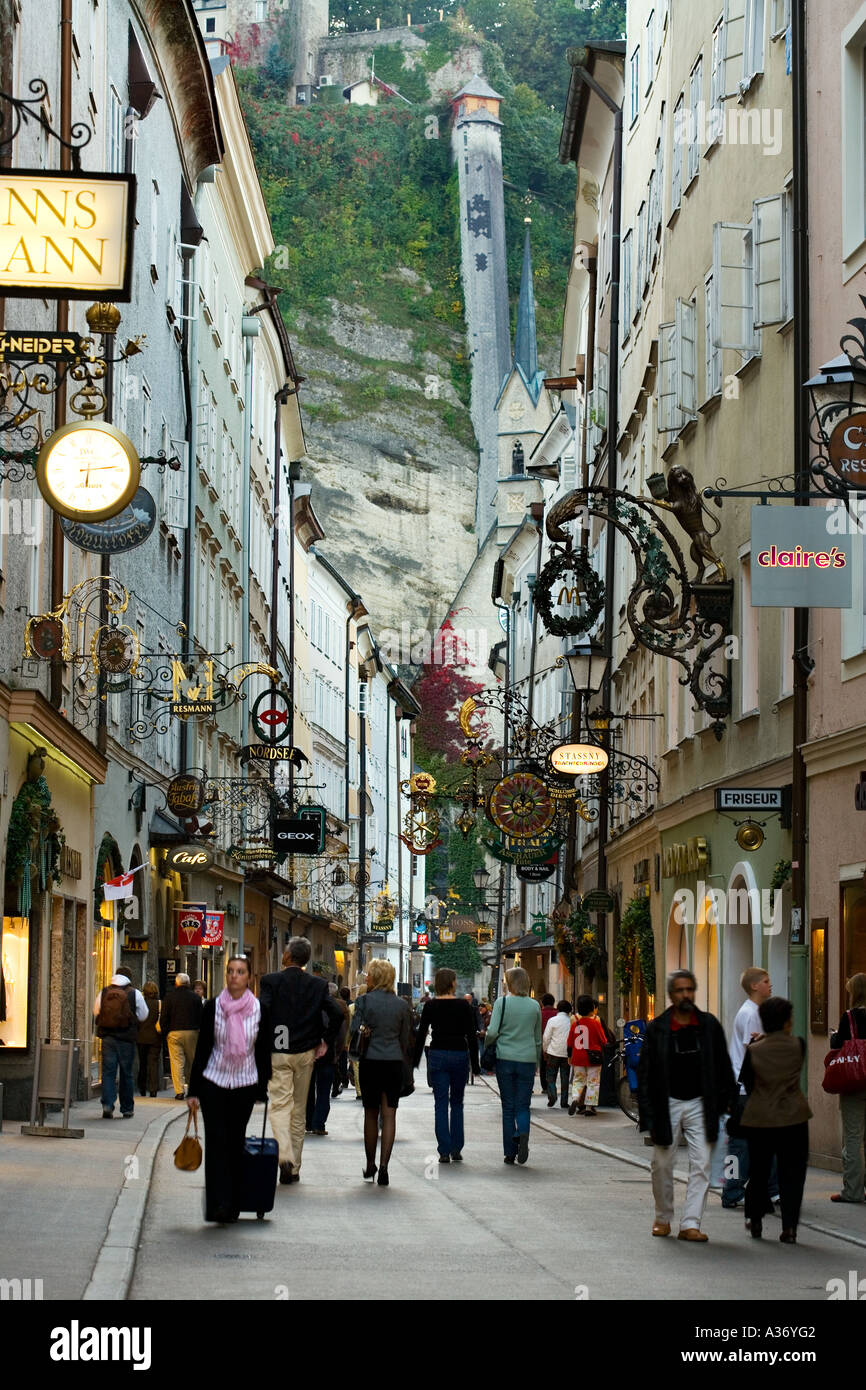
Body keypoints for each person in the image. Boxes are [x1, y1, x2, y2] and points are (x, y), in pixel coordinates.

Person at [637, 969, 737, 1241]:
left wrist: (727, 1100)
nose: (686, 995)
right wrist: (647, 1113)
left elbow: (723, 1064)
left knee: (702, 1163)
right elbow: (645, 1072)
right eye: (680, 990)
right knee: (661, 1163)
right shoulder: (658, 1028)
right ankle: (662, 1216)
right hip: (666, 1101)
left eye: (690, 989)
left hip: (701, 1103)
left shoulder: (708, 1025)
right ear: (671, 995)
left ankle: (691, 1222)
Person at [187, 956, 271, 1224]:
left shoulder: (259, 1010)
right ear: (226, 975)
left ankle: (232, 1203)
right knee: (216, 1143)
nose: (235, 976)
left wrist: (262, 1087)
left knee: (235, 1143)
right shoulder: (212, 1007)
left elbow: (262, 1050)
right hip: (214, 1081)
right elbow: (202, 1049)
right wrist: (193, 1090)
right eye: (231, 971)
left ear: (248, 977)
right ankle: (216, 1205)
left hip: (244, 1084)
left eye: (240, 972)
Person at [259, 938, 343, 1185]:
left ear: (287, 956)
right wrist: (325, 1040)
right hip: (306, 1052)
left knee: (279, 1105)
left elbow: (262, 1010)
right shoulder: (317, 985)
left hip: (278, 1050)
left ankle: (283, 1154)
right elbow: (337, 1013)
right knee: (298, 1110)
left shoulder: (271, 981)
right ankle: (294, 1166)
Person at [739, 995, 811, 1244]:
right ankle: (789, 1227)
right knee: (792, 1173)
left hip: (760, 1118)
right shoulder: (798, 1045)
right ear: (787, 1022)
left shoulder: (754, 1051)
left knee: (759, 1171)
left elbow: (747, 1083)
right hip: (794, 1117)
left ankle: (756, 1219)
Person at [353, 958, 413, 1187]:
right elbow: (405, 1037)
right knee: (389, 1115)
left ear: (374, 977)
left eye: (369, 974)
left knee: (370, 1114)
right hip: (393, 1062)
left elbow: (353, 1031)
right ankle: (385, 1167)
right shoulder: (401, 1005)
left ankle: (370, 1164)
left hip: (371, 1061)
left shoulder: (363, 1002)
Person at [414, 967, 480, 1162]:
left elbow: (421, 1034)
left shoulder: (431, 1006)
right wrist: (475, 1065)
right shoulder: (463, 1006)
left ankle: (443, 1149)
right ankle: (456, 1147)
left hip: (438, 1054)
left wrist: (415, 1060)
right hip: (460, 1054)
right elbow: (471, 1035)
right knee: (457, 1103)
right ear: (452, 983)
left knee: (440, 1103)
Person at [722, 967, 773, 1210]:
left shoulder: (752, 1011)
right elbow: (752, 1053)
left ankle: (767, 1189)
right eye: (766, 981)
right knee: (740, 1144)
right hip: (748, 1090)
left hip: (747, 1088)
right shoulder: (751, 1013)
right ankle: (732, 1191)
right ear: (755, 986)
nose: (770, 985)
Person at [485, 968, 542, 1165]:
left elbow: (492, 1031)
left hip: (505, 1058)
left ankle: (510, 1152)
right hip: (527, 1058)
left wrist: (486, 1044)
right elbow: (537, 1039)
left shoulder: (502, 1003)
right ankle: (523, 1131)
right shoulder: (535, 1006)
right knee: (523, 1105)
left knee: (508, 1106)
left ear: (509, 983)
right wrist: (537, 1063)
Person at [829, 972, 866, 1205]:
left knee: (853, 1137)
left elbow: (839, 1043)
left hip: (855, 1081)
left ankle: (852, 1190)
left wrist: (835, 1037)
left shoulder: (850, 1017)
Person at [93, 972, 149, 1118]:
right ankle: (127, 1108)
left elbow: (96, 1011)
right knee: (127, 1074)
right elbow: (144, 1015)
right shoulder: (134, 993)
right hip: (126, 1039)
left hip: (108, 1038)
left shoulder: (104, 992)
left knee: (108, 1072)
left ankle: (107, 1105)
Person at [306, 983, 347, 1133]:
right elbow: (341, 1034)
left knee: (308, 1090)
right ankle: (319, 1124)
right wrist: (336, 1052)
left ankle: (309, 1122)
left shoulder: (308, 1007)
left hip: (309, 1053)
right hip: (327, 1053)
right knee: (324, 1091)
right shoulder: (335, 1009)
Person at [159, 973, 203, 1100]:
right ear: (188, 983)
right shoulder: (195, 998)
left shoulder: (169, 997)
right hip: (192, 1033)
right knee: (192, 1061)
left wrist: (166, 1032)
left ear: (176, 983)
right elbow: (201, 1017)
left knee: (176, 1062)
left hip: (174, 1033)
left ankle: (179, 1091)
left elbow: (164, 1017)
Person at [567, 996, 608, 1116]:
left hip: (577, 1057)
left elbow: (569, 1043)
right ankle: (589, 1107)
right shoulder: (595, 1023)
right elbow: (603, 1041)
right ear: (592, 1009)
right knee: (593, 1082)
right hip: (593, 1057)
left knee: (578, 1080)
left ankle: (575, 1099)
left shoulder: (575, 1024)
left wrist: (569, 1057)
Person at [542, 999, 573, 1109]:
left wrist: (545, 1049)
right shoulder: (571, 1021)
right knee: (565, 1078)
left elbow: (546, 1037)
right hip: (567, 1053)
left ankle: (552, 1095)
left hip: (553, 1052)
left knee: (550, 1076)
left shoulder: (552, 1020)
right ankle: (564, 1101)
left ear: (558, 1009)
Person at [137, 981, 162, 1097]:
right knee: (153, 1063)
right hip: (155, 1037)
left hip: (141, 1037)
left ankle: (142, 1088)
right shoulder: (159, 1004)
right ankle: (153, 1089)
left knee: (142, 1063)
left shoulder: (141, 1003)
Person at [333, 987, 352, 1097]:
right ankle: (342, 1079)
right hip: (341, 1036)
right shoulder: (343, 1004)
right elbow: (347, 1022)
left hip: (327, 1040)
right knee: (341, 1059)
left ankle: (338, 1080)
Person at [538, 993, 557, 1095]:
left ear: (542, 1003)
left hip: (542, 1042)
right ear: (553, 1002)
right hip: (556, 1042)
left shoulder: (539, 1013)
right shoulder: (557, 1013)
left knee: (543, 1066)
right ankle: (552, 1085)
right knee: (554, 1066)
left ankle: (545, 1087)